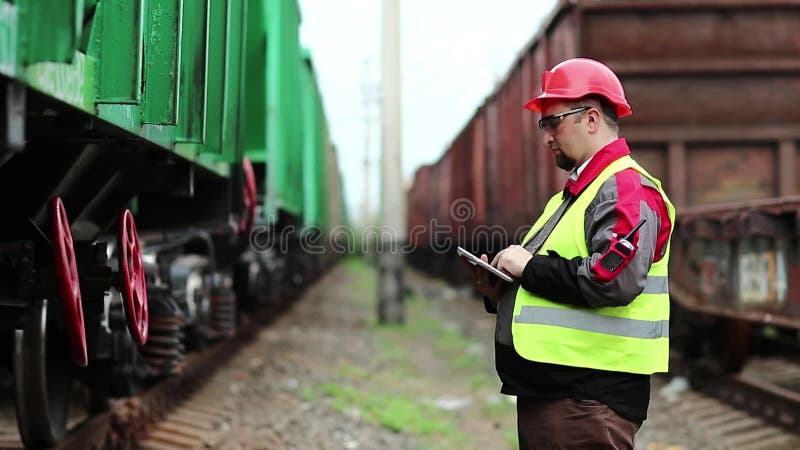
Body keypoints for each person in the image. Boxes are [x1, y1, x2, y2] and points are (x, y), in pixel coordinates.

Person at [462, 58, 674, 450]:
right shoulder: (579, 191)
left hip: (588, 400)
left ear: (591, 118)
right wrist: (505, 291)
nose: (546, 137)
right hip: (565, 397)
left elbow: (613, 280)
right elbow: (561, 279)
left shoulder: (623, 188)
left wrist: (527, 267)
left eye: (552, 122)